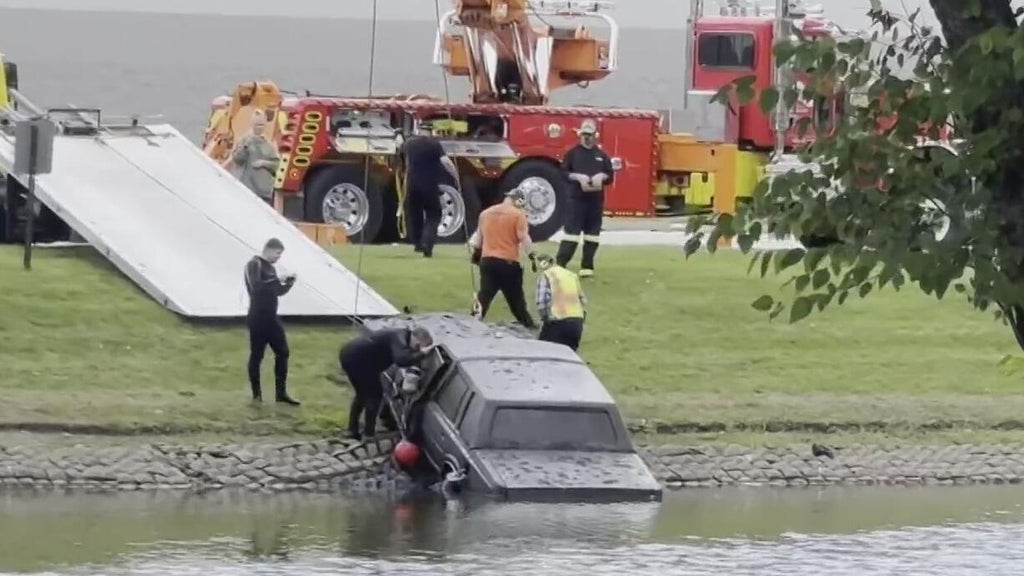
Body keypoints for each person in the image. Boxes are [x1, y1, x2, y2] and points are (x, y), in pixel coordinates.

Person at [339, 325, 435, 441]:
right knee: (374, 396)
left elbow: (406, 356)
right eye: (417, 346)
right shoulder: (399, 337)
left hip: (352, 356)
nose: (416, 349)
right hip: (358, 361)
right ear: (416, 338)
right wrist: (422, 353)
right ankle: (368, 434)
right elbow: (401, 360)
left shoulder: (401, 335)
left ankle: (352, 430)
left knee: (362, 394)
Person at [468, 186, 537, 328]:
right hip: (508, 263)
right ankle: (528, 325)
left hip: (487, 262)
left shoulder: (485, 214)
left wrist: (476, 257)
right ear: (519, 201)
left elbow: (478, 240)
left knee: (484, 297)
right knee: (516, 300)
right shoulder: (518, 216)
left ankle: (471, 324)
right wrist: (532, 257)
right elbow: (524, 238)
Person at [244, 238, 300, 405]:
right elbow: (257, 286)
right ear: (268, 250)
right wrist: (277, 280)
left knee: (283, 352)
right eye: (277, 253)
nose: (278, 257)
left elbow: (276, 291)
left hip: (271, 317)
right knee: (257, 355)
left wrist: (288, 284)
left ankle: (281, 393)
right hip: (257, 317)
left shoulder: (271, 268)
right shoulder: (254, 264)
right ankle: (256, 395)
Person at [556, 119, 615, 278]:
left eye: (589, 135)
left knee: (592, 235)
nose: (586, 138)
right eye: (583, 135)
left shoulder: (602, 156)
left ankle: (587, 267)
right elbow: (563, 173)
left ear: (595, 135)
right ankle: (560, 264)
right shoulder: (572, 153)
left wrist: (602, 176)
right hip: (577, 201)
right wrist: (577, 177)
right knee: (572, 235)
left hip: (595, 202)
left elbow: (610, 176)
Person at [400, 125, 459, 258]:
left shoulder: (409, 144)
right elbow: (446, 162)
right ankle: (427, 243)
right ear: (430, 132)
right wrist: (456, 177)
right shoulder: (434, 144)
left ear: (418, 131)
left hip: (412, 185)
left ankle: (417, 244)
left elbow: (402, 159)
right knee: (434, 215)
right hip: (430, 186)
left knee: (415, 216)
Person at [534, 253, 587, 351]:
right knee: (568, 356)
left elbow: (542, 302)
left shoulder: (546, 275)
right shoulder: (571, 275)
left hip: (557, 321)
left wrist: (545, 318)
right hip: (576, 322)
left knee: (544, 354)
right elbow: (582, 300)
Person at [231, 109, 281, 205]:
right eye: (257, 125)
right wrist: (245, 147)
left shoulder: (270, 144)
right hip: (245, 189)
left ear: (266, 124)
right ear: (252, 124)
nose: (259, 128)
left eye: (261, 125)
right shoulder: (244, 140)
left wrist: (264, 163)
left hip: (263, 193)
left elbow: (277, 164)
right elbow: (237, 159)